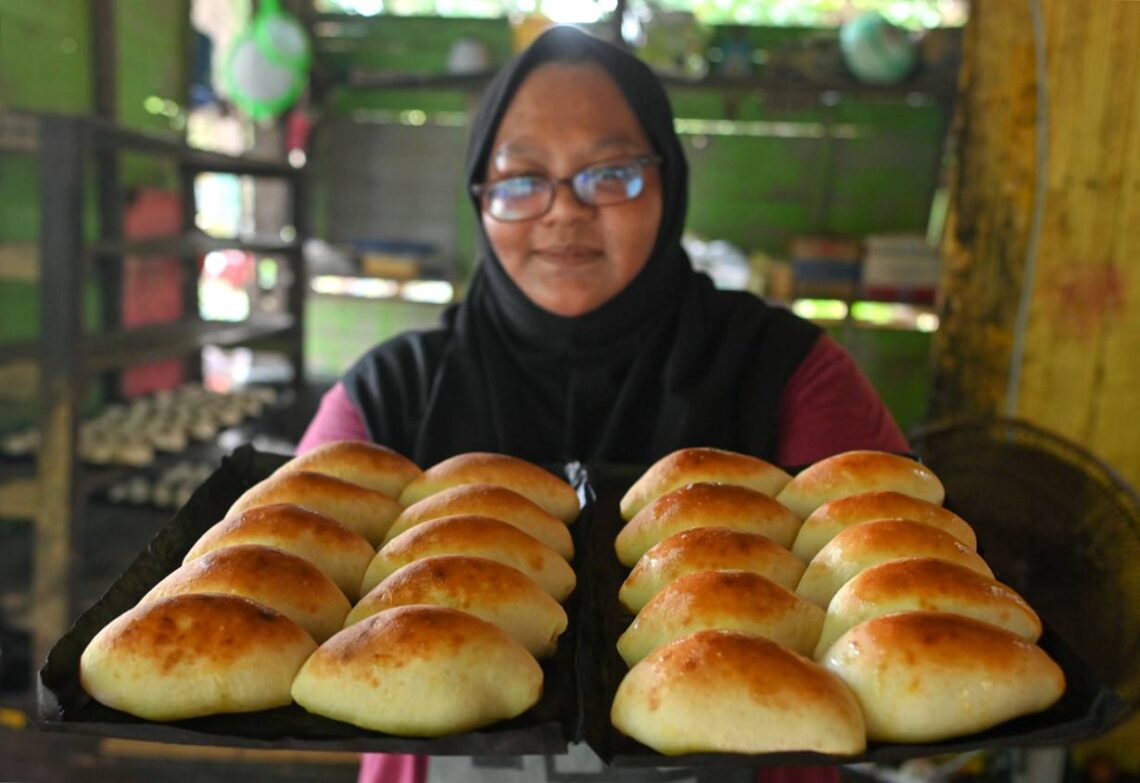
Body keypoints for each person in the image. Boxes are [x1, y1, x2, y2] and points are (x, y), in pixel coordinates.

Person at [298, 24, 908, 783]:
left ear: (668, 179)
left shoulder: (791, 374)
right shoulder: (386, 395)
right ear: (481, 199)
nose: (563, 211)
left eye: (608, 172)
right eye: (521, 180)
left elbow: (889, 590)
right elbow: (297, 597)